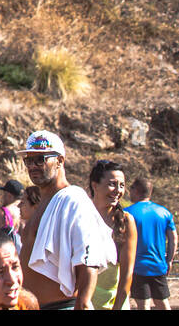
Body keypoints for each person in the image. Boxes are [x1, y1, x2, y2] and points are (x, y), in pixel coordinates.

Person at [16, 130, 116, 309]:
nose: (33, 166)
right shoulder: (46, 202)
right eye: (28, 160)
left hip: (62, 305)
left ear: (60, 161)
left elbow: (88, 256)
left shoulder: (72, 199)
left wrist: (83, 303)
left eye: (41, 159)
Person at [87, 160, 136, 310]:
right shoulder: (81, 216)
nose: (118, 190)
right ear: (95, 185)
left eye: (122, 185)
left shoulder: (125, 221)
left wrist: (117, 307)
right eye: (112, 184)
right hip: (83, 303)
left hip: (114, 305)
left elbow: (127, 273)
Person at [125, 177, 178, 310]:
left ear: (136, 190)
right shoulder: (164, 212)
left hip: (137, 267)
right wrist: (169, 260)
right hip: (158, 265)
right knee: (163, 303)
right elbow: (173, 238)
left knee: (143, 305)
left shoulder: (127, 213)